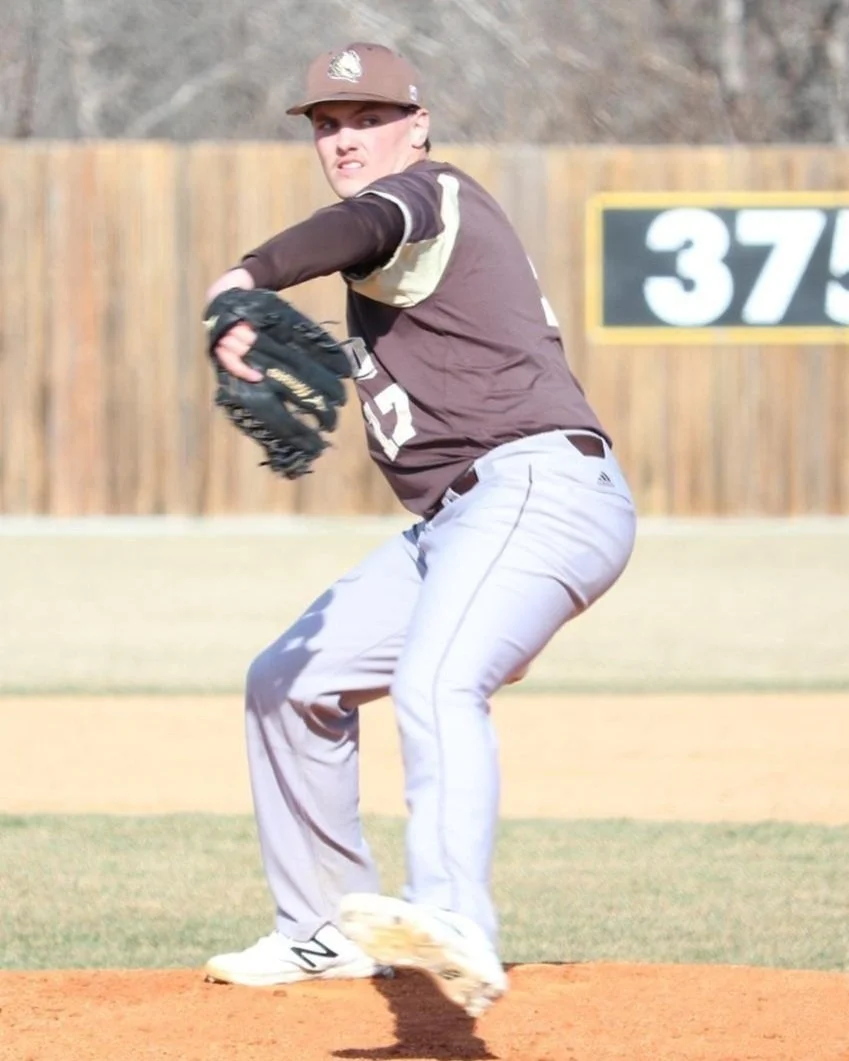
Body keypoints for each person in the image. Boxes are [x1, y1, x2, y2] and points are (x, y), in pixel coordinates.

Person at [203, 41, 637, 1019]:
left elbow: (369, 219)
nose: (345, 139)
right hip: (458, 520)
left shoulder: (429, 196)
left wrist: (246, 276)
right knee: (288, 681)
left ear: (419, 124)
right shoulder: (388, 255)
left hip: (539, 486)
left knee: (437, 679)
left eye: (369, 119)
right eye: (328, 124)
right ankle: (322, 928)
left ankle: (453, 912)